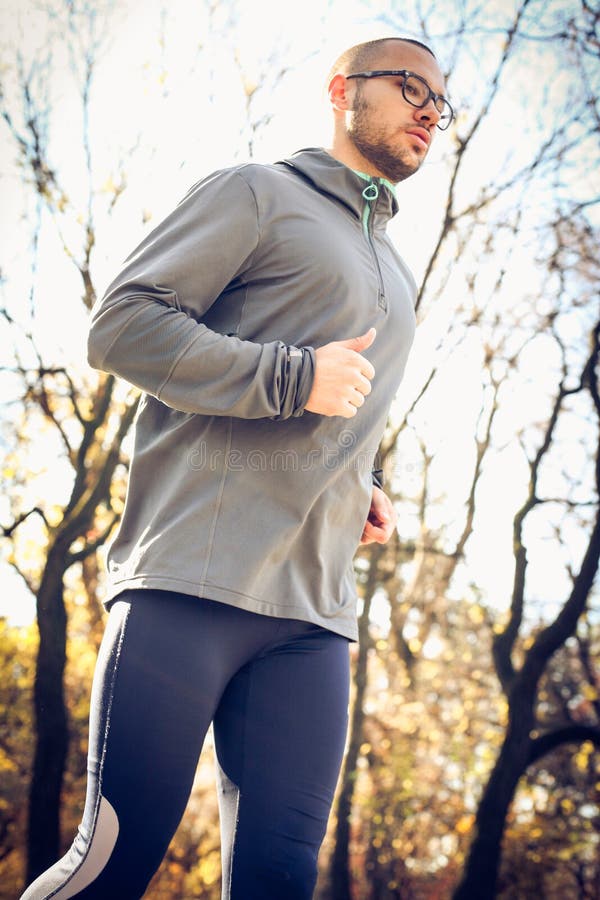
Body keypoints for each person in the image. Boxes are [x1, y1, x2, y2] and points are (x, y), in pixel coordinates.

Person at [21, 35, 452, 900]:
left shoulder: (399, 274)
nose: (429, 111)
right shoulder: (258, 192)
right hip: (191, 583)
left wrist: (357, 485)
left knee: (279, 883)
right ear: (342, 90)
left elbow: (339, 407)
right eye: (411, 87)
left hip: (314, 620)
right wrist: (293, 378)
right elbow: (123, 327)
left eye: (441, 104)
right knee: (111, 864)